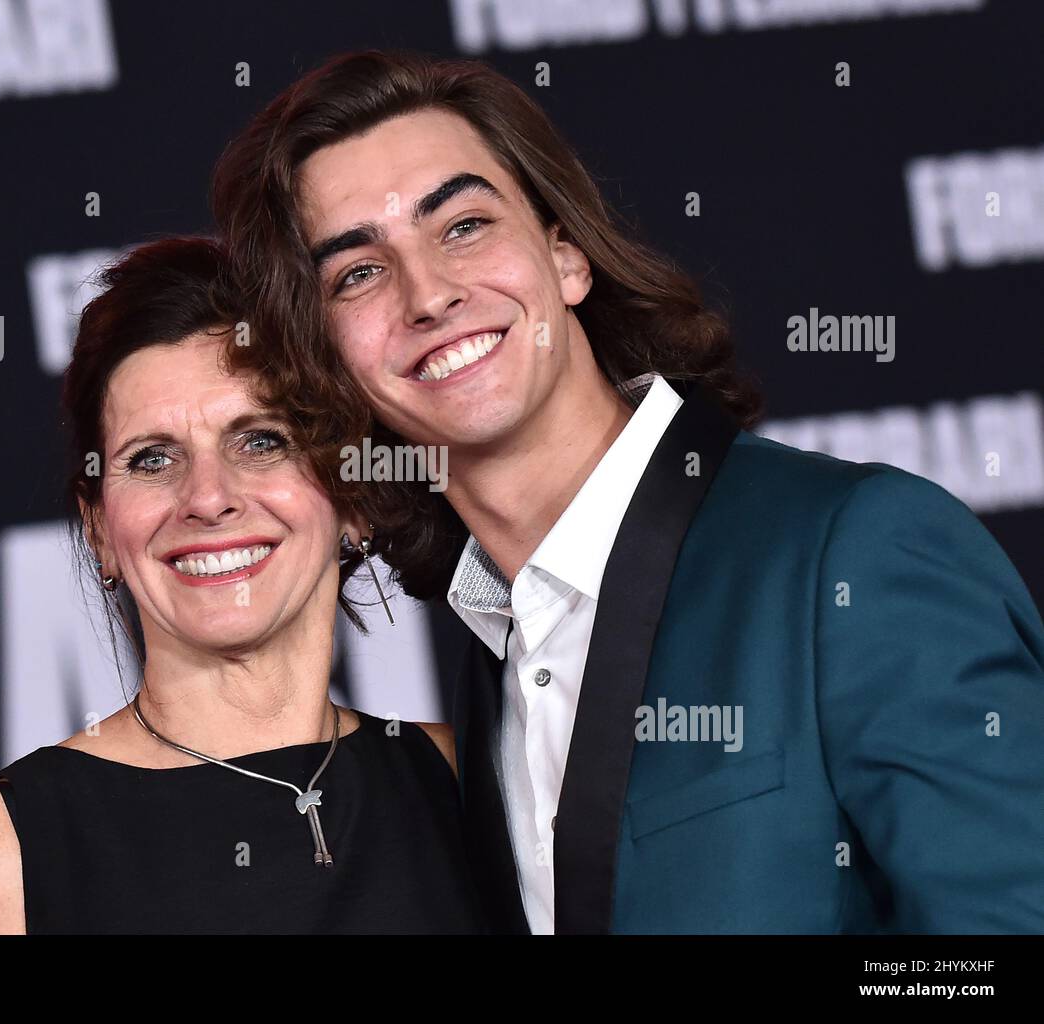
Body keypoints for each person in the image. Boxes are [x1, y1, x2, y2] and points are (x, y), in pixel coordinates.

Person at [209, 50, 1044, 934]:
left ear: (567, 257)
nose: (429, 295)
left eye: (462, 226)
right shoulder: (492, 669)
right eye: (358, 273)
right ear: (331, 360)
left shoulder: (854, 551)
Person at [0, 236, 486, 934]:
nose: (208, 497)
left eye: (261, 441)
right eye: (152, 459)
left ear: (352, 494)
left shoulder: (468, 782)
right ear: (100, 529)